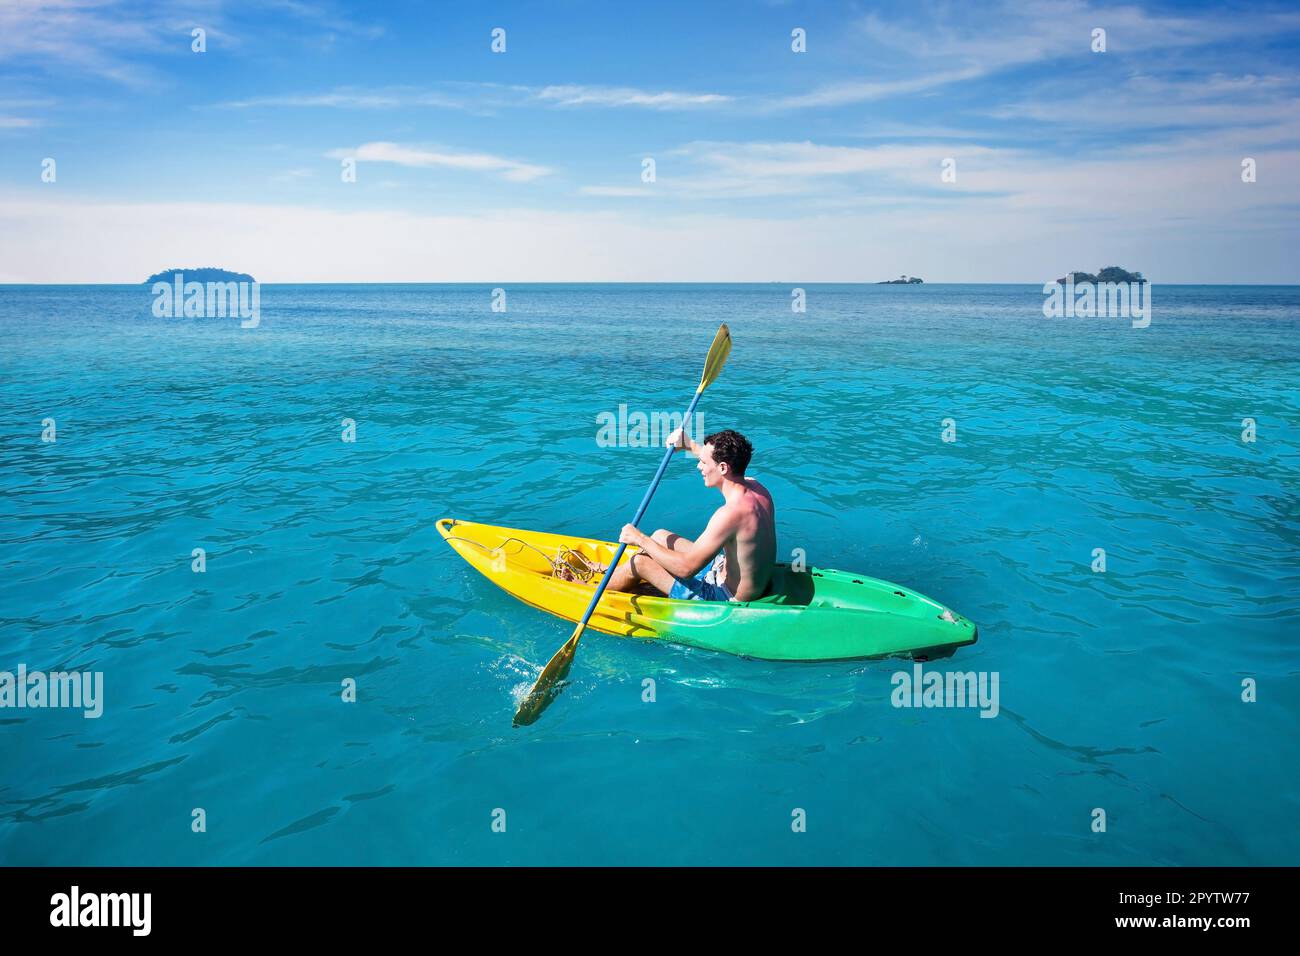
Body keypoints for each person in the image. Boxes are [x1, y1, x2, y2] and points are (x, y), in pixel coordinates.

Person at [607, 428, 776, 602]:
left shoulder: (729, 515)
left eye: (703, 462)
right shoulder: (757, 488)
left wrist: (639, 538)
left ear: (723, 467)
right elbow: (722, 469)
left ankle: (591, 591)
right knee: (659, 536)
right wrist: (689, 445)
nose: (699, 466)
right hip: (732, 574)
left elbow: (686, 569)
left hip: (724, 596)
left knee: (639, 563)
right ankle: (618, 574)